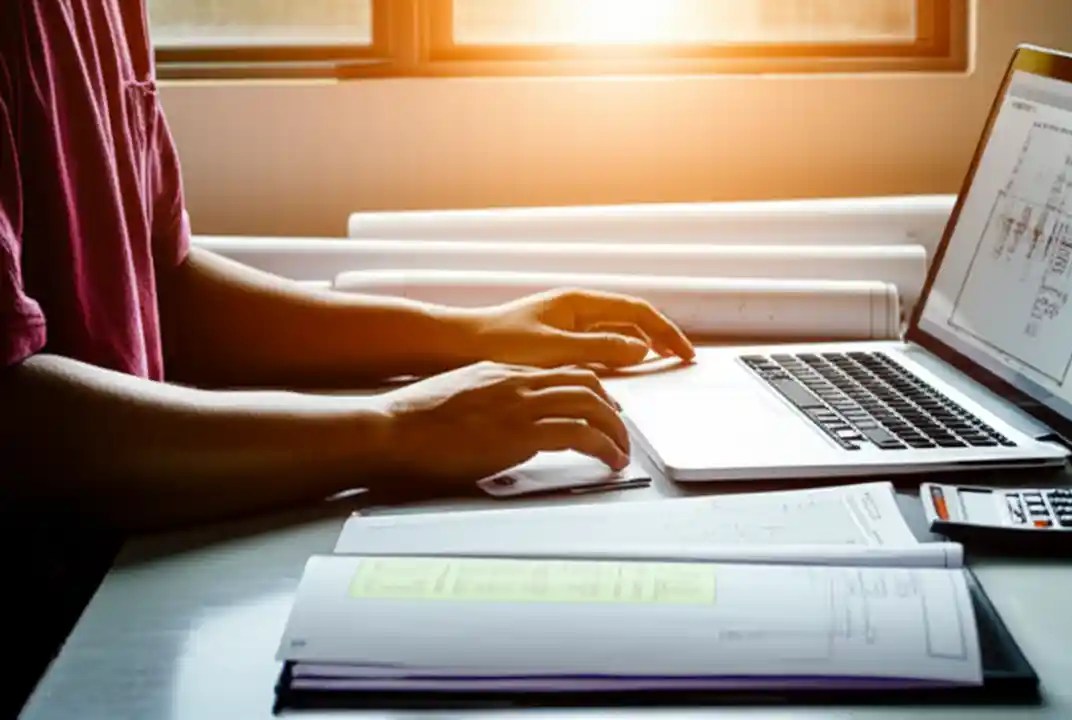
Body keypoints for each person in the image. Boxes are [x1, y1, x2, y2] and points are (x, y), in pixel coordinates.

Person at [0, 2, 693, 712]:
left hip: (126, 574)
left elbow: (162, 285)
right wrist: (391, 430)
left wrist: (468, 334)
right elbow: (14, 419)